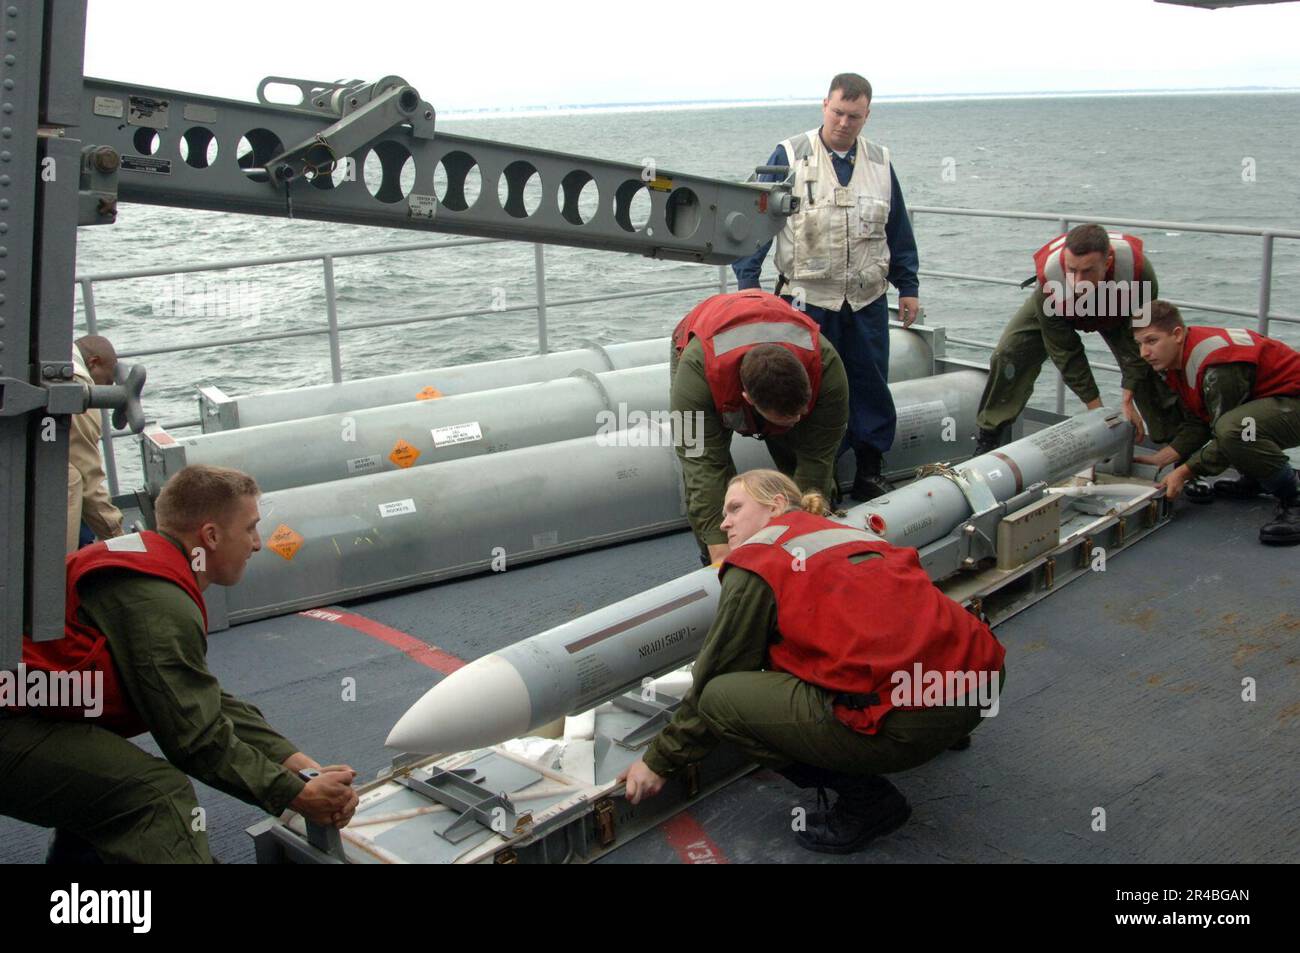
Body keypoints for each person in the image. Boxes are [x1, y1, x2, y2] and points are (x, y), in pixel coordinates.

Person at [619, 469, 1006, 854]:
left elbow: (717, 670)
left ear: (775, 506)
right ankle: (949, 730)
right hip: (981, 681)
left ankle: (868, 802)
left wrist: (658, 762)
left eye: (735, 508)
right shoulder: (849, 534)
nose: (724, 522)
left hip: (913, 719)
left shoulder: (759, 560)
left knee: (719, 698)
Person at [0, 464, 358, 863]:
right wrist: (297, 795)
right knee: (155, 795)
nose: (257, 543)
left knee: (106, 782)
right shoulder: (159, 602)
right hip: (11, 722)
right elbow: (196, 739)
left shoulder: (144, 561)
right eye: (250, 528)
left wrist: (293, 762)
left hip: (27, 708)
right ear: (210, 536)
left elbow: (194, 693)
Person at [733, 73, 921, 501]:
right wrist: (749, 285)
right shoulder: (789, 154)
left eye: (854, 116)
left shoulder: (879, 162)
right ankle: (820, 480)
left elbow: (898, 228)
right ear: (824, 106)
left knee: (871, 385)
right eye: (838, 112)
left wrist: (908, 286)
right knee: (808, 388)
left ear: (867, 115)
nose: (844, 123)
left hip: (865, 300)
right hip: (805, 300)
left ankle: (871, 469)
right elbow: (753, 219)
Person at [671, 289, 849, 564]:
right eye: (786, 418)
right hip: (702, 339)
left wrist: (803, 533)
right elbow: (702, 467)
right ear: (748, 400)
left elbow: (817, 457)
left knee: (798, 457)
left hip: (781, 344)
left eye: (801, 412)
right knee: (708, 473)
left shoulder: (826, 366)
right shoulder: (696, 376)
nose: (798, 420)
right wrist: (721, 551)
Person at [974, 223, 1181, 454]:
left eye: (1088, 271)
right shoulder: (1051, 283)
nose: (1078, 281)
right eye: (1072, 270)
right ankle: (989, 437)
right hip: (1061, 304)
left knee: (1153, 361)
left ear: (1108, 262)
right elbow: (1065, 351)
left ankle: (1175, 448)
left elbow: (1139, 342)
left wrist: (1127, 396)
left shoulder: (1138, 274)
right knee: (1009, 353)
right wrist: (1097, 412)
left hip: (1115, 305)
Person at [1132, 301, 1300, 545]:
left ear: (1177, 334)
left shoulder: (1216, 367)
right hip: (1280, 399)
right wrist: (1166, 456)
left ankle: (1294, 497)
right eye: (1139, 344)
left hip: (1293, 401)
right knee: (1234, 425)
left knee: (1235, 430)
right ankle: (1254, 477)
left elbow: (1227, 438)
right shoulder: (1185, 356)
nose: (1144, 353)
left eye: (1151, 341)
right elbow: (1201, 418)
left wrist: (1186, 471)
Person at [67, 335, 125, 553]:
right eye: (107, 383)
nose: (106, 392)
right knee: (69, 478)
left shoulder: (58, 351)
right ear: (93, 363)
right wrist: (120, 540)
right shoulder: (79, 387)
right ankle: (53, 577)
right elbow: (90, 482)